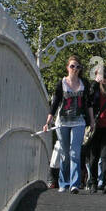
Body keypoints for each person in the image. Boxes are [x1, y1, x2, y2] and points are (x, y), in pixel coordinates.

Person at [42, 55, 94, 194]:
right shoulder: (62, 83)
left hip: (79, 121)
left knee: (75, 152)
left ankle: (74, 184)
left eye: (77, 67)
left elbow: (89, 104)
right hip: (63, 122)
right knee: (65, 153)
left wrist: (92, 120)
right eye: (72, 66)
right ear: (67, 67)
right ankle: (63, 183)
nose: (75, 69)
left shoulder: (84, 83)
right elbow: (55, 104)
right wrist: (48, 122)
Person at [85, 63, 106, 193]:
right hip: (96, 126)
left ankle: (104, 182)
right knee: (94, 156)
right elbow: (89, 101)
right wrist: (94, 83)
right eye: (100, 76)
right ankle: (93, 181)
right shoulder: (95, 88)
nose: (103, 79)